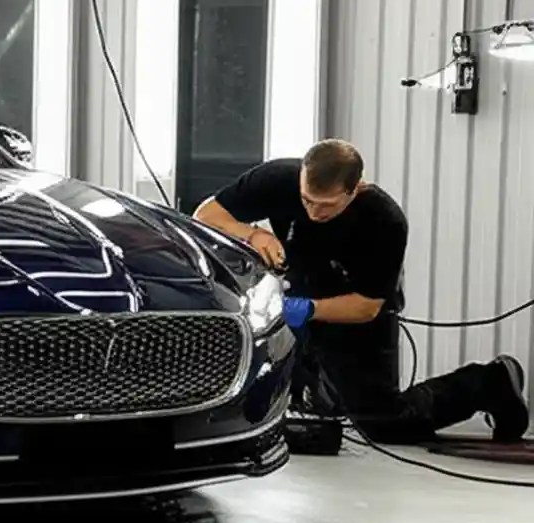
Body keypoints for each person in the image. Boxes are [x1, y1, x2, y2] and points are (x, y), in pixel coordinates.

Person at [194, 139, 529, 444]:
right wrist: (254, 235)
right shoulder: (278, 179)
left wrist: (306, 309)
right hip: (298, 290)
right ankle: (318, 391)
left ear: (354, 190)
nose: (313, 212)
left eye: (326, 206)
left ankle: (490, 382)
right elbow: (206, 215)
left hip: (355, 317)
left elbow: (366, 307)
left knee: (387, 424)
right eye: (307, 200)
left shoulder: (384, 222)